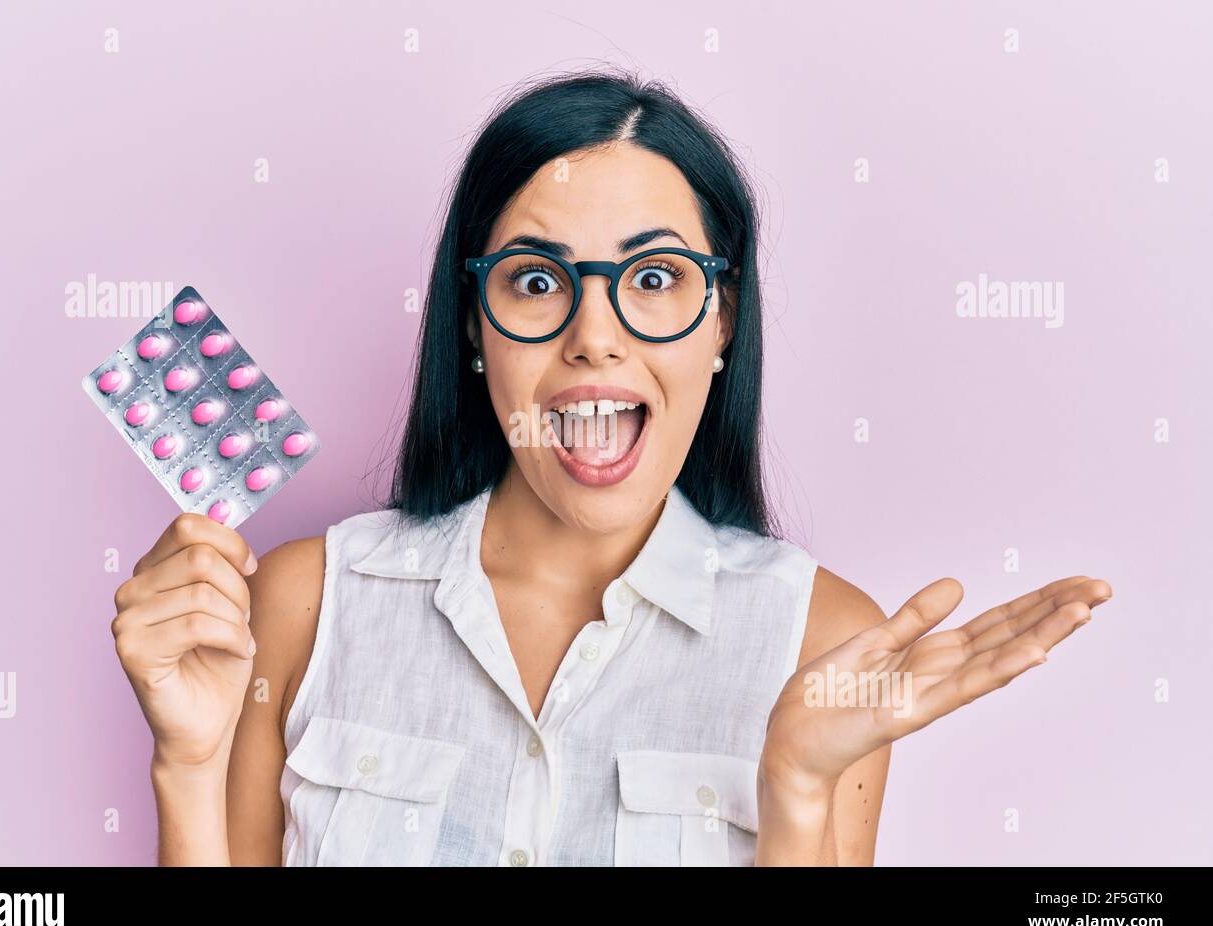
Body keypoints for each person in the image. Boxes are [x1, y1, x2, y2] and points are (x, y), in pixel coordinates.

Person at [110, 70, 1112, 866]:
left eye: (654, 278)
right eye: (538, 280)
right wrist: (187, 763)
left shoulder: (828, 641)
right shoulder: (296, 604)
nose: (596, 336)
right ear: (472, 323)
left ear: (721, 320)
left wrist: (797, 792)